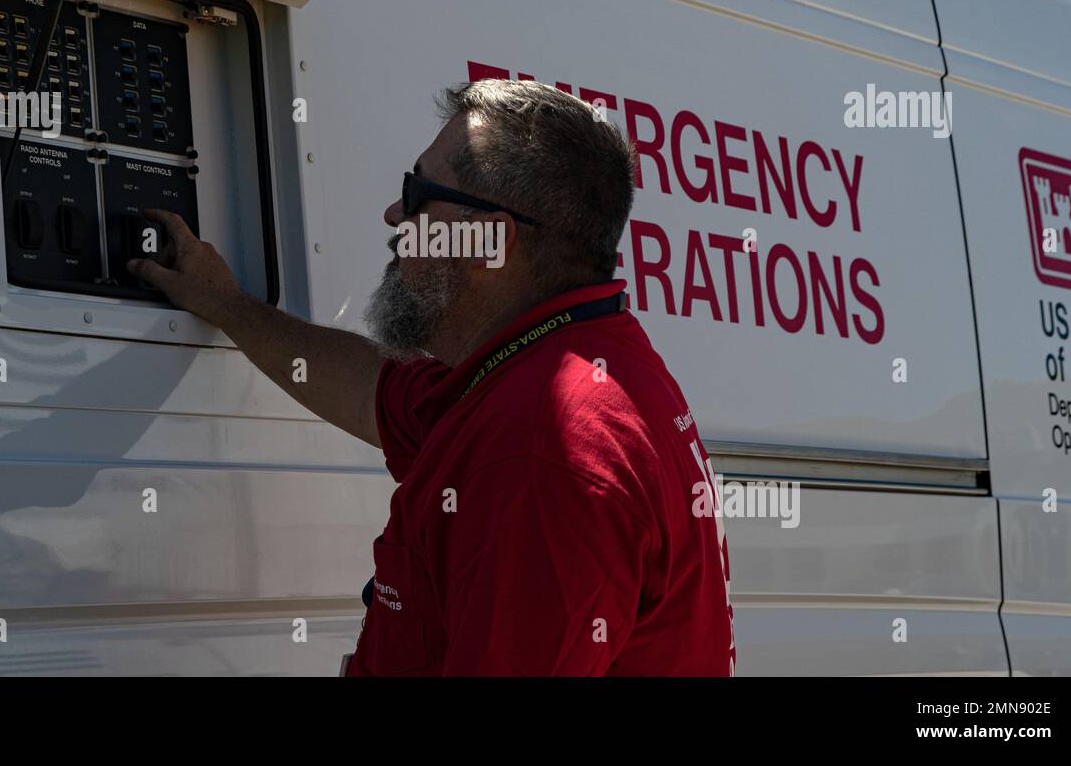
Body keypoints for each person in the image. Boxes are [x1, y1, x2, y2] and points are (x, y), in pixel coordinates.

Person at [128, 79, 735, 676]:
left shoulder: (541, 447)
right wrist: (229, 306)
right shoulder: (546, 369)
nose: (395, 214)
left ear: (492, 239)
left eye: (417, 192)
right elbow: (368, 388)